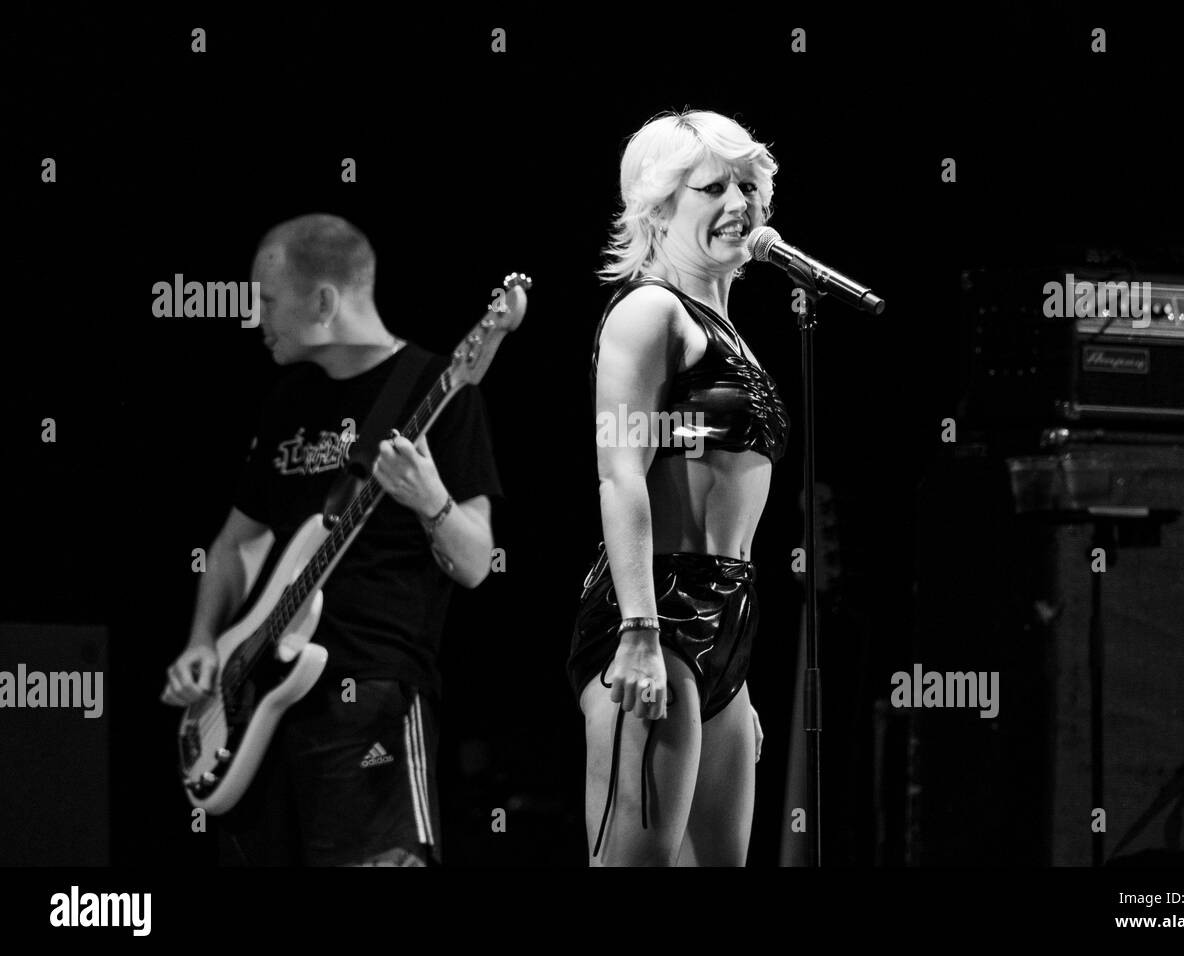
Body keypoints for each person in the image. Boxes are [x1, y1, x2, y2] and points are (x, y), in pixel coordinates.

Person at [160, 213, 502, 866]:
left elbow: (477, 562)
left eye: (266, 302)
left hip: (372, 693)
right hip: (257, 705)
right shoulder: (286, 400)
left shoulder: (437, 386)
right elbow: (234, 544)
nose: (256, 319)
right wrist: (206, 641)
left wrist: (431, 501)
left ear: (322, 301)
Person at [568, 111, 789, 865]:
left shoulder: (728, 328)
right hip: (655, 605)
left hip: (725, 616)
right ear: (659, 208)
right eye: (714, 187)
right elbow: (619, 470)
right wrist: (638, 631)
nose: (741, 202)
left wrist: (737, 674)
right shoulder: (648, 311)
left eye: (749, 184)